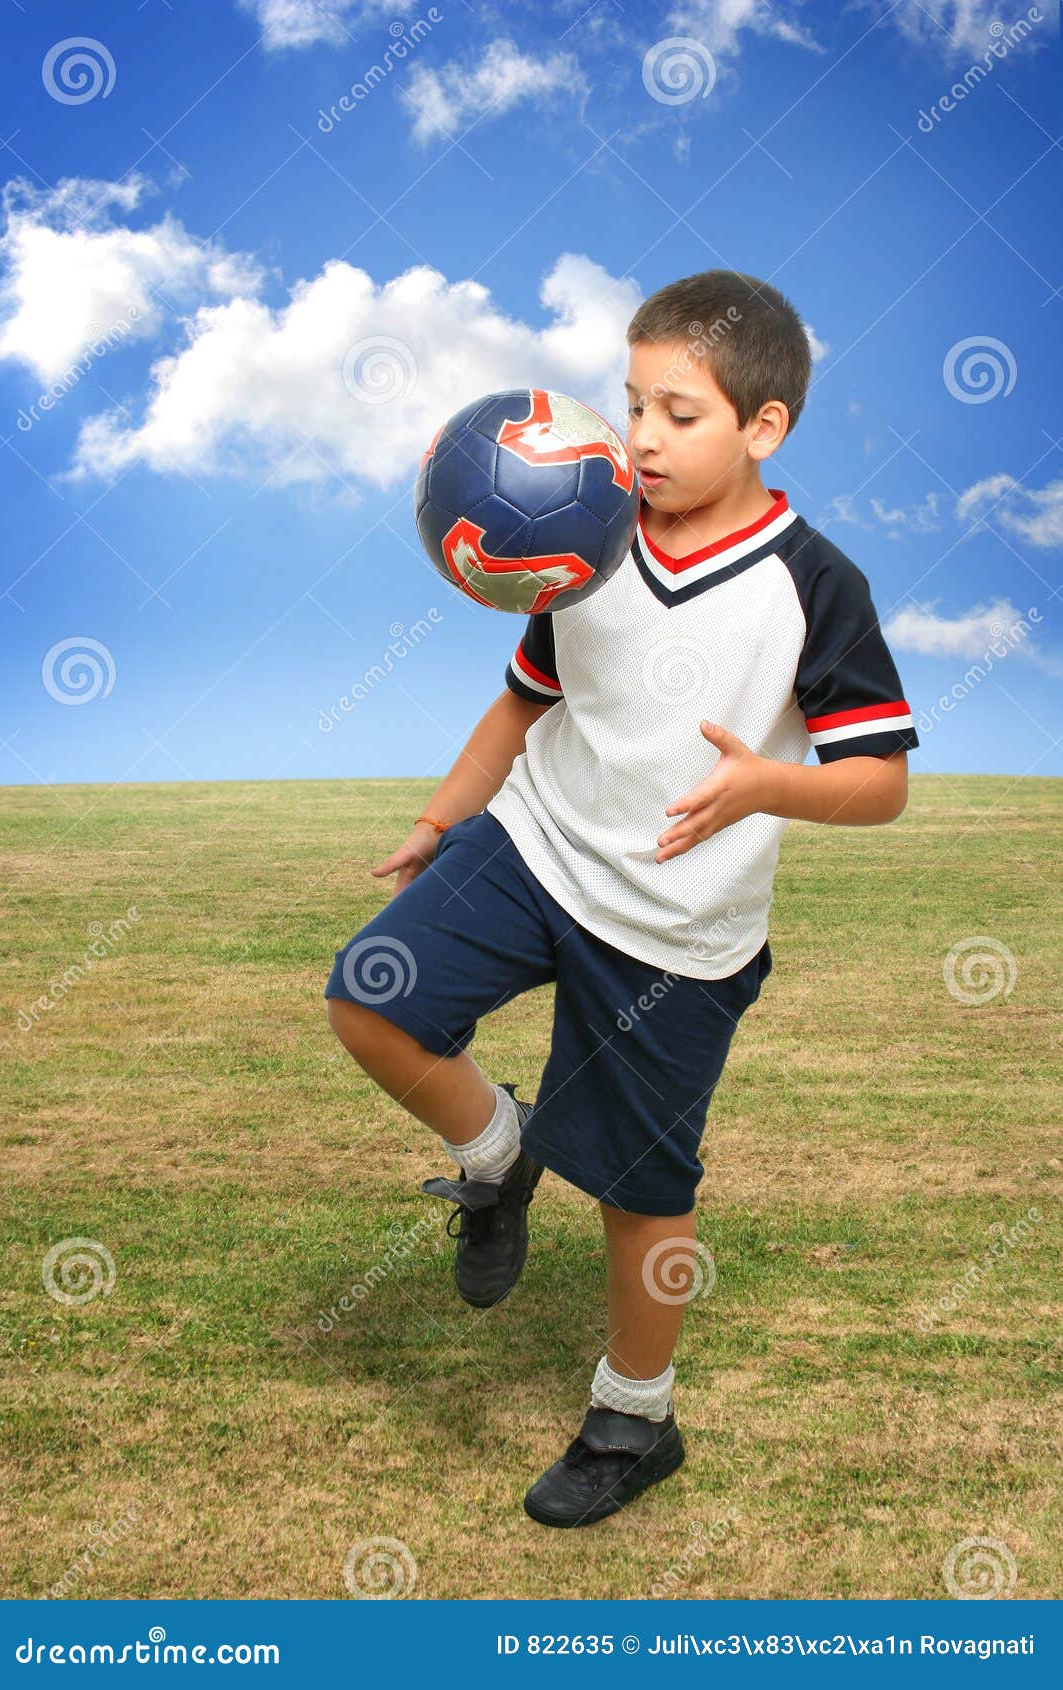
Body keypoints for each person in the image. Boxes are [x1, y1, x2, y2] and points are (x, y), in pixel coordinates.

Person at [324, 269, 919, 1530]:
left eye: (680, 412)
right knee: (367, 999)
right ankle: (494, 1155)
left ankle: (632, 1415)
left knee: (641, 1193)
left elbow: (877, 785)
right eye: (632, 402)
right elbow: (520, 704)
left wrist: (766, 784)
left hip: (673, 928)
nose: (640, 437)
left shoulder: (813, 583)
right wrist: (439, 822)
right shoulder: (578, 543)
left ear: (762, 429)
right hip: (534, 844)